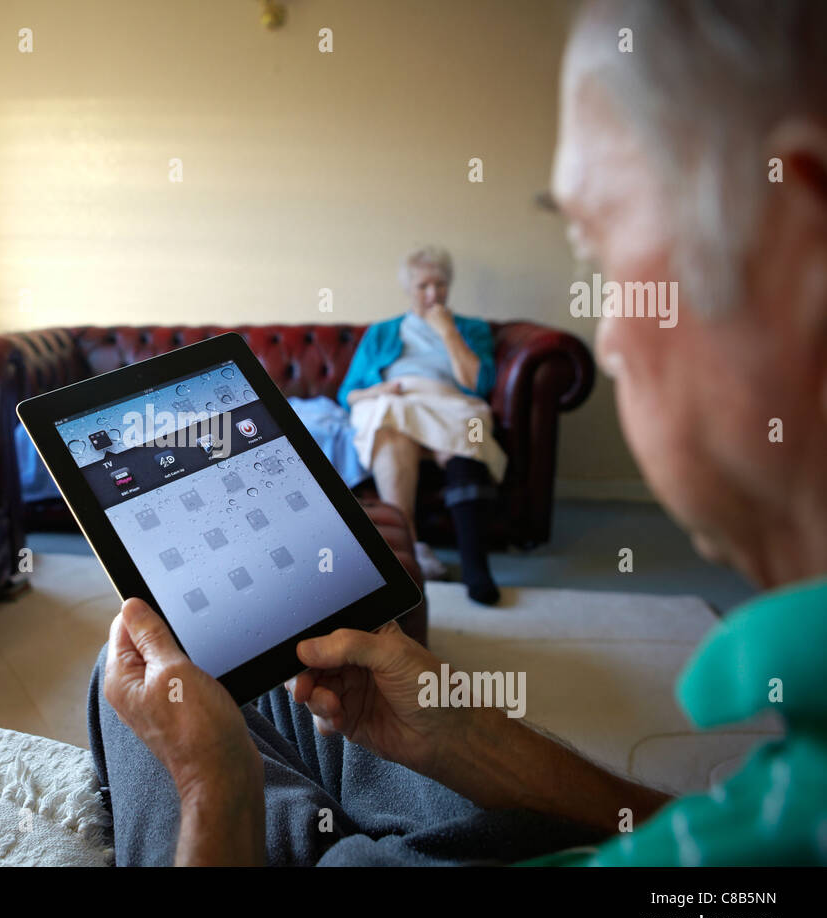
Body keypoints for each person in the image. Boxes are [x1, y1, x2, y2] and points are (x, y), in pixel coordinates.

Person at [88, 0, 827, 866]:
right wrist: (463, 732)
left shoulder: (464, 330)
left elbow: (476, 383)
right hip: (403, 426)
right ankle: (437, 572)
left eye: (602, 251)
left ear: (798, 247)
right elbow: (694, 831)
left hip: (446, 420)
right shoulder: (774, 813)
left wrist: (215, 789)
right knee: (231, 669)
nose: (615, 338)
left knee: (127, 685)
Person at [337, 246, 507, 604]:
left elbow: (479, 385)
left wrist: (448, 333)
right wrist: (377, 390)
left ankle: (476, 566)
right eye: (423, 286)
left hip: (448, 401)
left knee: (468, 427)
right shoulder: (383, 332)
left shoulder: (471, 329)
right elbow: (348, 394)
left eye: (440, 285)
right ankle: (409, 550)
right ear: (408, 288)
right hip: (396, 401)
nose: (432, 294)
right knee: (387, 417)